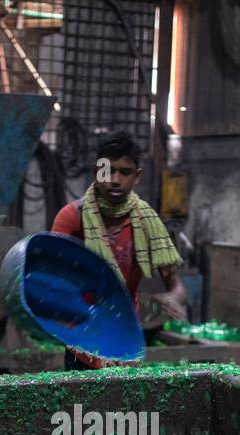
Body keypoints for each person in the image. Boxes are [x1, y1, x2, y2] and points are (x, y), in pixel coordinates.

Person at [51, 130, 186, 370]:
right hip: (82, 341)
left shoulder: (146, 221)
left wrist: (172, 298)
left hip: (125, 339)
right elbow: (52, 277)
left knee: (121, 407)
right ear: (96, 171)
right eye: (108, 170)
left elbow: (175, 284)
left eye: (125, 172)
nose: (115, 179)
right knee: (82, 407)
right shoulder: (73, 218)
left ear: (137, 176)